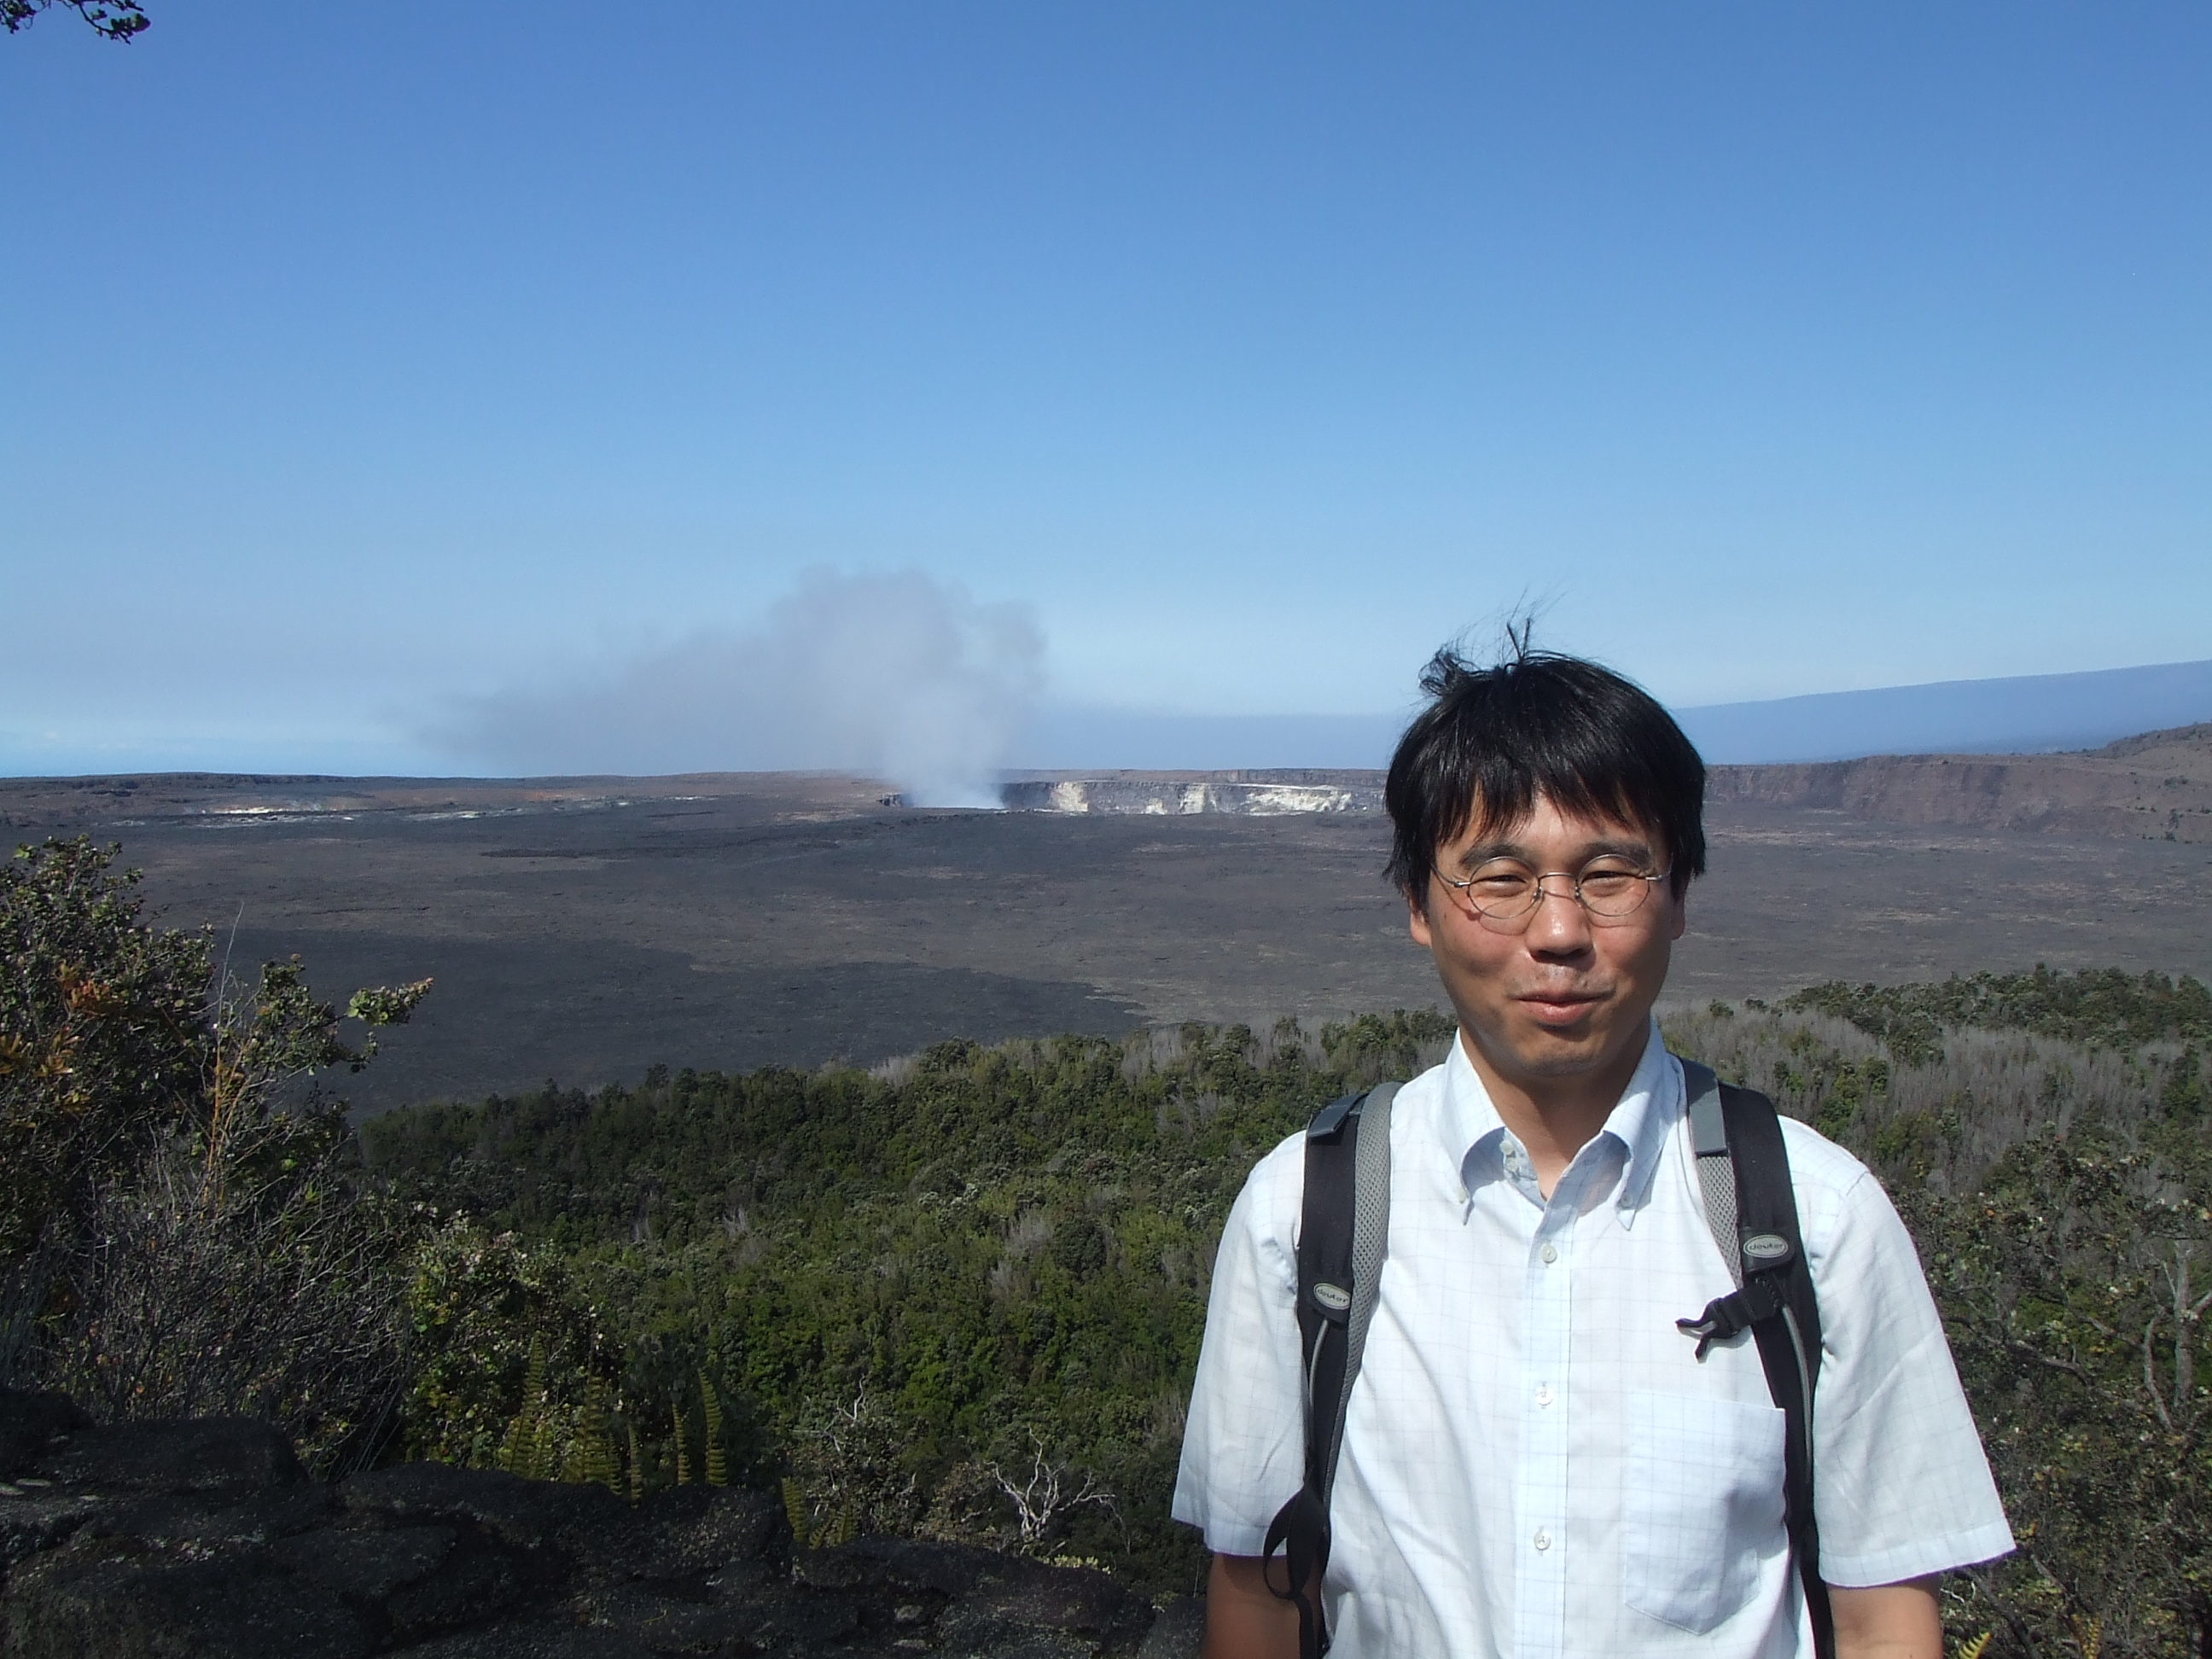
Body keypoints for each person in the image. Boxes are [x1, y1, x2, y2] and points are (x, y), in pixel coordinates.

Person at [1172, 645, 2012, 1659]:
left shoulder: (1813, 1218)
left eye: (1610, 875)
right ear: (1419, 907)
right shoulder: (1303, 1213)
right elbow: (1259, 1599)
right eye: (1501, 879)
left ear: (1680, 895)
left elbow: (1883, 1620)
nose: (1560, 930)